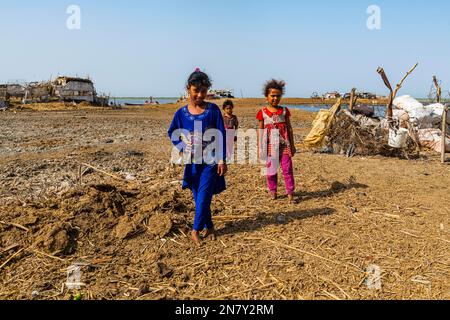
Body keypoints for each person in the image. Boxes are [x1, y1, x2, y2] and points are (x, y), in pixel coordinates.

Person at [168, 69, 227, 245]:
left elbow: (222, 134)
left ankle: (195, 230)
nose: (200, 95)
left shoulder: (213, 110)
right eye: (196, 91)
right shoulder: (181, 113)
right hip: (191, 162)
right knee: (199, 196)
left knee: (204, 195)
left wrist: (222, 159)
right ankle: (209, 226)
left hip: (210, 160)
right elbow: (172, 132)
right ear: (188, 89)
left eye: (203, 91)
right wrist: (181, 146)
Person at [257, 79, 296, 203]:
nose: (275, 98)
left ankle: (290, 192)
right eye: (272, 96)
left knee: (287, 169)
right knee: (271, 170)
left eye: (278, 96)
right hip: (270, 146)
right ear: (266, 96)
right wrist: (260, 147)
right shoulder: (262, 113)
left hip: (284, 145)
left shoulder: (284, 111)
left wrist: (293, 145)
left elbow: (289, 128)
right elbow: (261, 131)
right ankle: (273, 191)